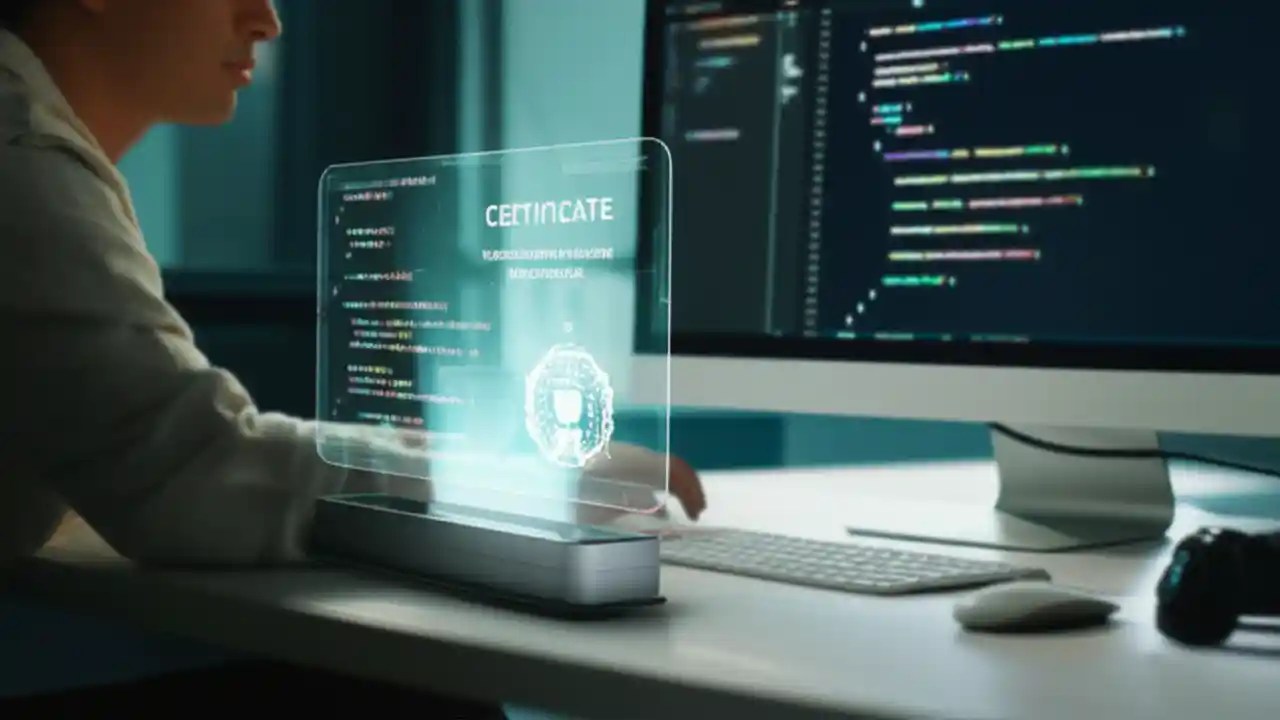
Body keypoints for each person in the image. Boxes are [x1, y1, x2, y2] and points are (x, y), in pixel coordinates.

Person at [0, 0, 706, 713]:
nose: (266, 21)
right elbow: (193, 476)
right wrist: (520, 481)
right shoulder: (21, 161)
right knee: (428, 697)